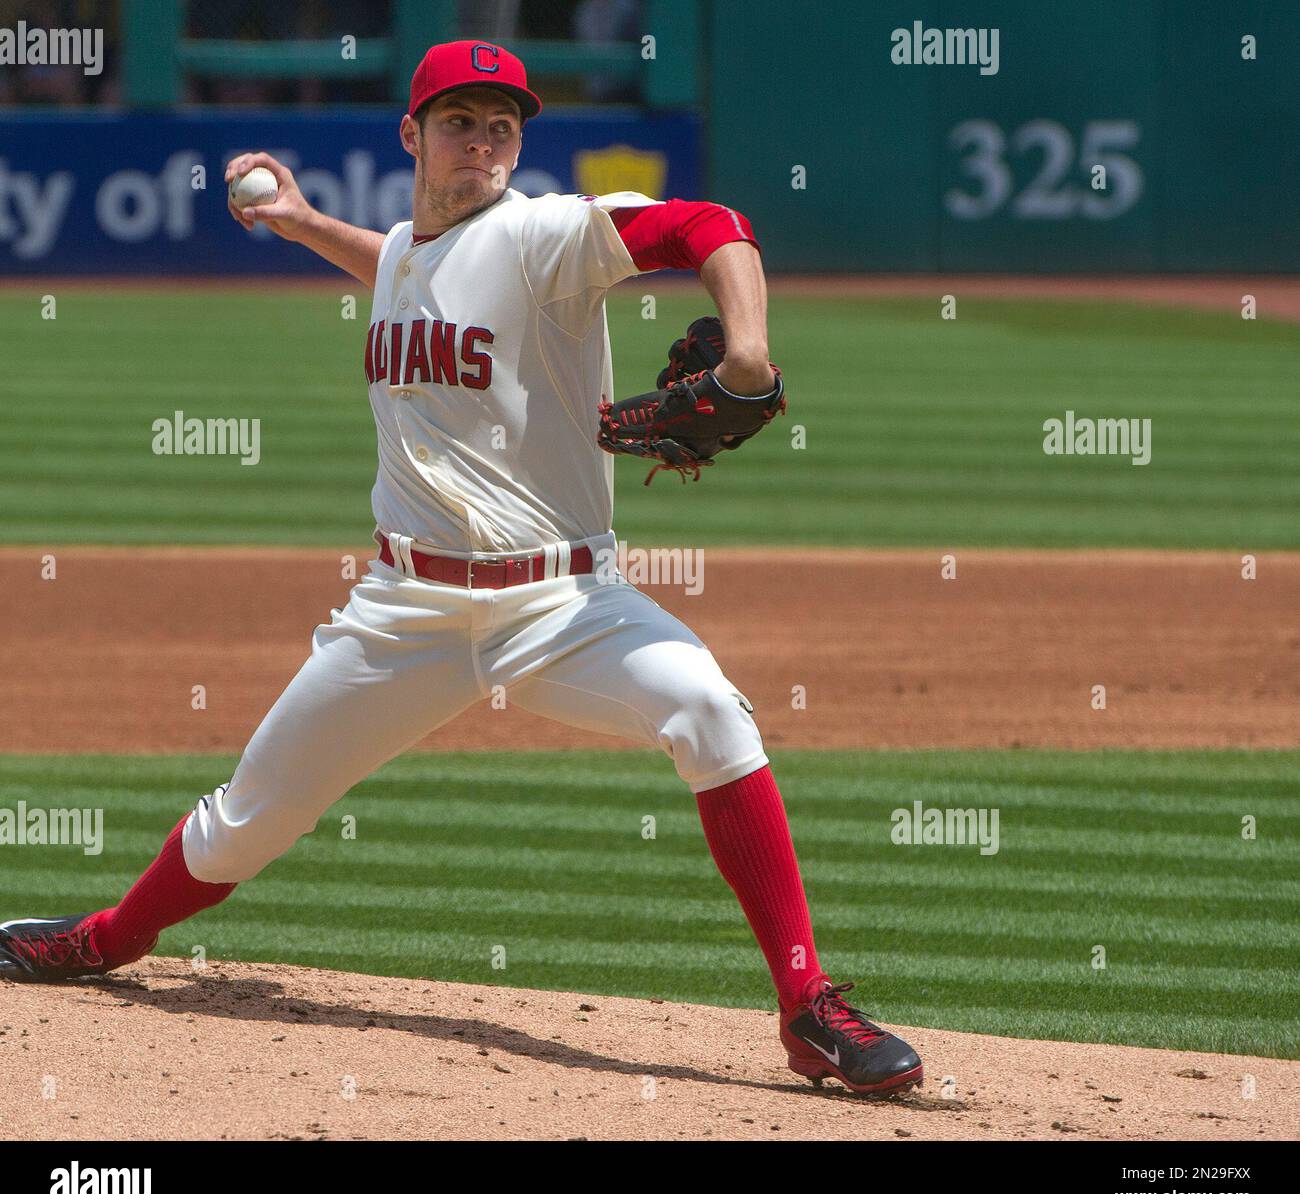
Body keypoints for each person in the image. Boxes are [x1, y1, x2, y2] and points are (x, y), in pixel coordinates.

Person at [0, 40, 922, 1097]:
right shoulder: (404, 253)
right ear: (411, 134)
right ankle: (108, 938)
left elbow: (708, 228)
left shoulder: (543, 234)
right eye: (457, 122)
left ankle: (807, 1007)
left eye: (501, 125)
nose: (481, 142)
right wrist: (300, 224)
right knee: (250, 813)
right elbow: (404, 267)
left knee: (711, 714)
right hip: (405, 611)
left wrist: (748, 354)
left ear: (520, 142)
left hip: (564, 602)